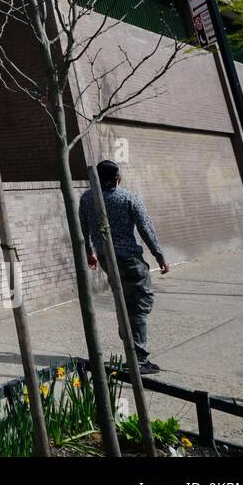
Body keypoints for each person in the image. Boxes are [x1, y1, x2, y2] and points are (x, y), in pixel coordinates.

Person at [79, 159, 169, 375]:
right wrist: (159, 256)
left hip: (106, 258)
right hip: (129, 259)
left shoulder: (86, 198)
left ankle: (132, 350)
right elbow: (146, 229)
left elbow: (83, 225)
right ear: (117, 178)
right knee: (138, 304)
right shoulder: (127, 198)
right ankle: (138, 358)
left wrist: (90, 252)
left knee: (122, 301)